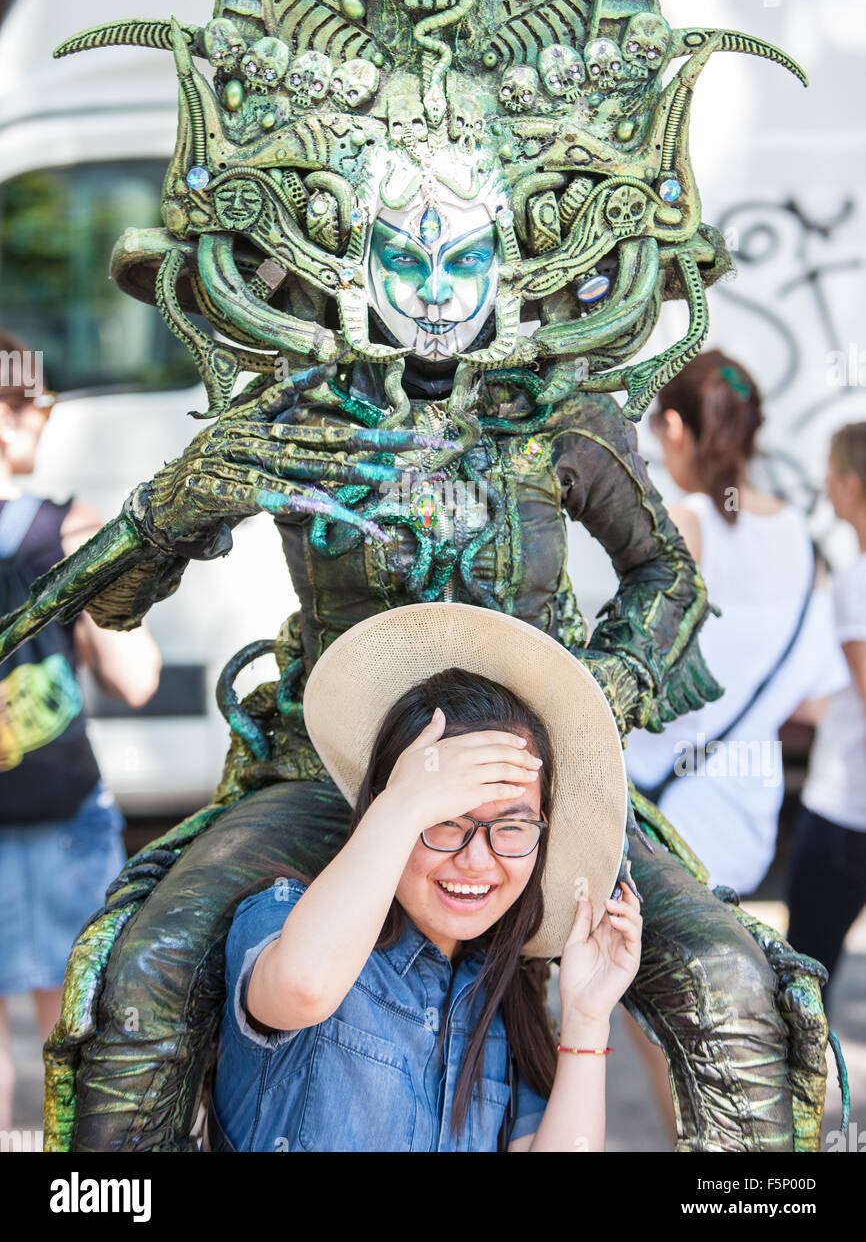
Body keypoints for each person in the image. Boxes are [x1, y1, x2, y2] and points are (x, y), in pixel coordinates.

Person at [208, 602, 641, 1152]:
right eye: (443, 822)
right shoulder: (283, 918)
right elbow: (303, 987)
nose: (478, 861)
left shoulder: (503, 1002)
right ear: (388, 811)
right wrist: (405, 800)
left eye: (510, 828)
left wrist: (586, 1018)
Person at [0, 330, 161, 1131]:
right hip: (63, 812)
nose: (49, 417)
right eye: (38, 404)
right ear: (6, 418)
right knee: (70, 1038)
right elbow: (138, 680)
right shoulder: (65, 528)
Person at [625, 349, 848, 896]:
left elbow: (637, 672)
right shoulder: (799, 535)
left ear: (674, 427)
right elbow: (815, 693)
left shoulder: (686, 523)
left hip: (664, 823)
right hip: (746, 817)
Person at [786, 423, 866, 1003]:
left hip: (846, 809)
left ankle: (802, 1096)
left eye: (833, 472)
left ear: (852, 484)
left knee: (803, 982)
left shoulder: (857, 580)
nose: (824, 483)